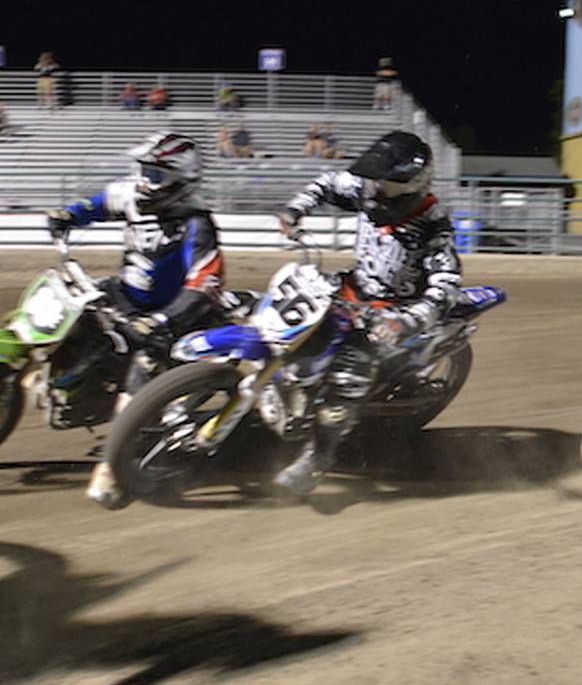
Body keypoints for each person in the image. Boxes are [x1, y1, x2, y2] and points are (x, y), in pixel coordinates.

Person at [272, 131, 463, 497]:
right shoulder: (368, 189)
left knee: (345, 381)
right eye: (374, 179)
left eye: (386, 183)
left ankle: (316, 460)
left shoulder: (434, 227)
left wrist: (405, 320)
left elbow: (447, 285)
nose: (375, 189)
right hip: (353, 286)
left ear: (413, 184)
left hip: (394, 312)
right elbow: (328, 183)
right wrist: (295, 209)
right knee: (280, 318)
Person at [45, 133, 225, 509]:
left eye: (156, 175)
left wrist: (162, 320)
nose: (146, 181)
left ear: (183, 180)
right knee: (76, 313)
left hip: (175, 313)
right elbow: (93, 206)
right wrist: (69, 215)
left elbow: (205, 283)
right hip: (125, 293)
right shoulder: (128, 194)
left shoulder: (196, 222)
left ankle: (115, 462)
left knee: (143, 365)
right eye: (143, 170)